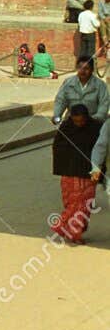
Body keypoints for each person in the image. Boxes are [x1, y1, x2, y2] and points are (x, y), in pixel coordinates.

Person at [51, 103, 103, 244]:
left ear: (87, 117)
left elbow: (101, 148)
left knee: (85, 203)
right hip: (69, 171)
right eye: (76, 121)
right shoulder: (66, 127)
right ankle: (71, 230)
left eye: (81, 121)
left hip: (88, 172)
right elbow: (57, 147)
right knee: (73, 202)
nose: (79, 124)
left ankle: (74, 230)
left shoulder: (96, 128)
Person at [51, 58, 110, 127]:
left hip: (93, 123)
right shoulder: (68, 82)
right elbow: (60, 101)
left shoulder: (100, 85)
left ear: (92, 70)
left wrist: (92, 120)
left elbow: (103, 106)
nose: (82, 71)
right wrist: (57, 116)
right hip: (72, 122)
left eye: (86, 68)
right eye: (80, 68)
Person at [76, 0, 99, 65]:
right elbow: (97, 24)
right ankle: (89, 66)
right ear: (92, 7)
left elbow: (79, 23)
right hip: (90, 34)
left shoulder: (81, 14)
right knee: (90, 52)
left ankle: (81, 65)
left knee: (83, 51)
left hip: (83, 34)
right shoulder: (92, 15)